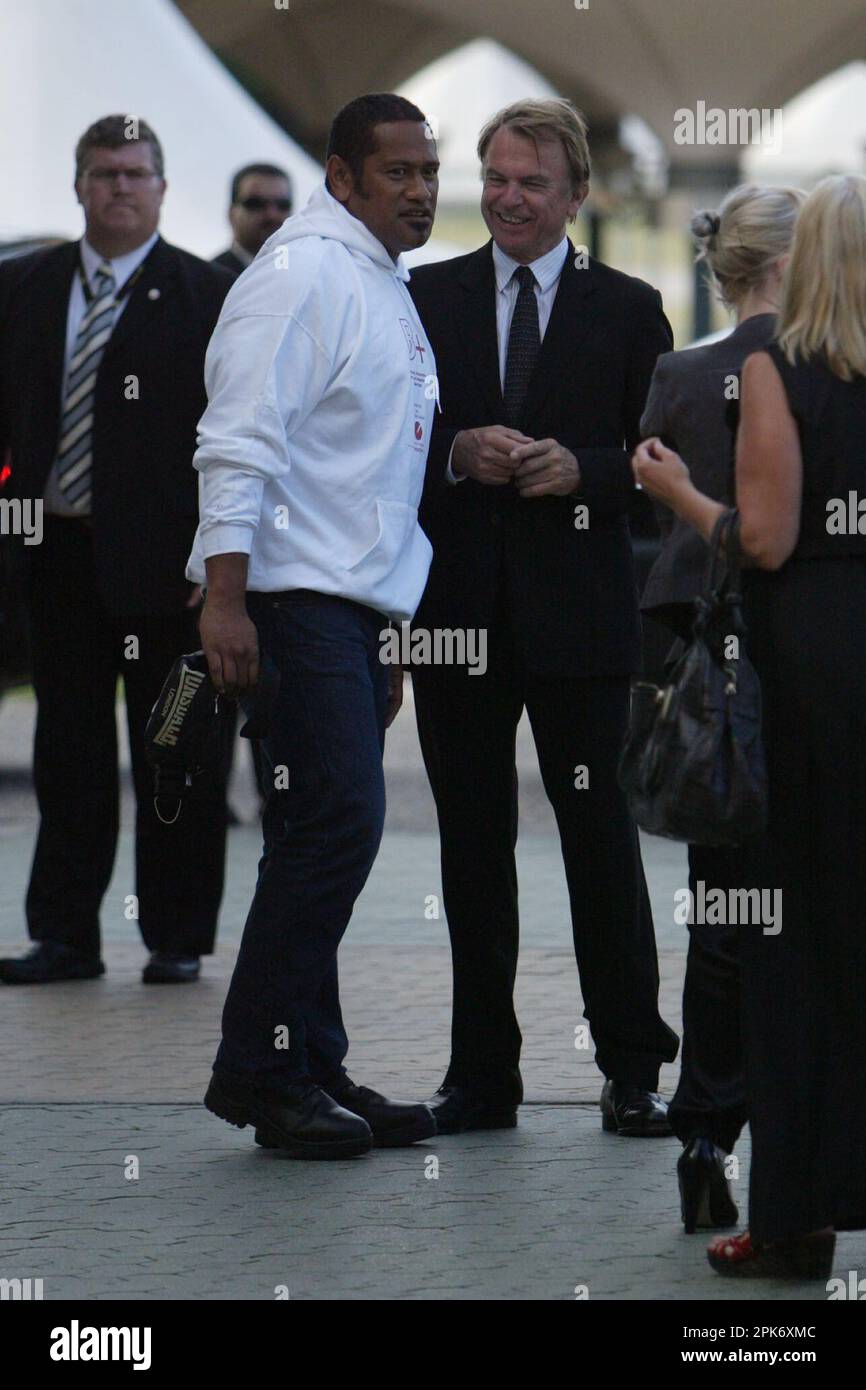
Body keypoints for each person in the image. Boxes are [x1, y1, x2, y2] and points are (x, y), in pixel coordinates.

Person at [407, 98, 679, 1137]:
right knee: (469, 848)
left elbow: (663, 463)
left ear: (574, 195)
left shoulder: (627, 305)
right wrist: (450, 454)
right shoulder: (422, 297)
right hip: (456, 618)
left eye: (531, 182)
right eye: (497, 179)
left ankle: (629, 1067)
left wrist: (586, 469)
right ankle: (480, 1076)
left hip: (579, 617)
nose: (510, 198)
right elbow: (384, 449)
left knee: (598, 841)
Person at [192, 94, 441, 1159]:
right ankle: (261, 1071)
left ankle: (309, 1061)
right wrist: (225, 598)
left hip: (344, 605)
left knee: (313, 834)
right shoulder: (295, 280)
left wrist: (384, 630)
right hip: (286, 600)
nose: (420, 191)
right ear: (340, 177)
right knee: (334, 825)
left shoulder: (375, 279)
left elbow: (369, 471)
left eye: (428, 172)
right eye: (396, 173)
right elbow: (235, 445)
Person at [633, 172, 866, 1279]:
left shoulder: (781, 370)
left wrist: (678, 491)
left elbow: (762, 539)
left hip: (804, 681)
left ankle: (789, 1218)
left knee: (783, 948)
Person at [0, 115, 233, 987]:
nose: (120, 188)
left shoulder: (207, 295)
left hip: (169, 572)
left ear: (164, 189)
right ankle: (64, 936)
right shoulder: (23, 287)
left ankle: (176, 937)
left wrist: (217, 559)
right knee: (68, 751)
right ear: (77, 186)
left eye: (137, 174)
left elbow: (232, 436)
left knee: (178, 749)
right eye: (104, 174)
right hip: (55, 556)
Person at [639, 184, 805, 1232]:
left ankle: (702, 1130)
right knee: (809, 918)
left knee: (722, 915)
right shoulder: (824, 373)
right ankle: (791, 1141)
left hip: (707, 685)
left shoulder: (680, 373)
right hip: (805, 672)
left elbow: (654, 539)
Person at [212, 164, 293, 277]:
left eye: (282, 205)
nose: (272, 215)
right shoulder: (206, 279)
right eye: (255, 204)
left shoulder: (304, 276)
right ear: (232, 214)